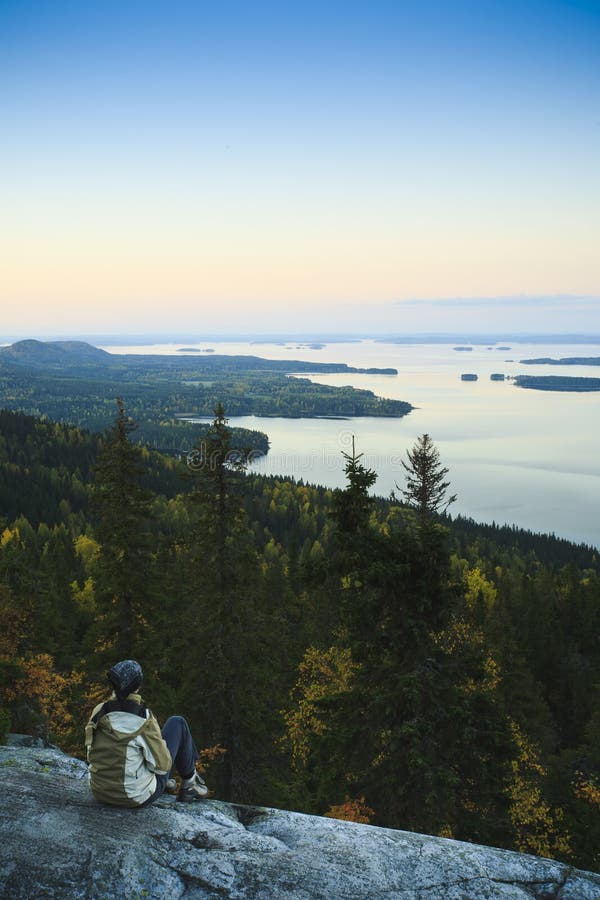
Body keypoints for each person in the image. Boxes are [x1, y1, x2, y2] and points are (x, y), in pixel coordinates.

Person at [85, 659, 208, 808]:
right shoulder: (144, 719)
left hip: (100, 791)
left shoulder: (99, 711)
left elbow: (94, 751)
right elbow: (163, 766)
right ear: (138, 686)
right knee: (177, 723)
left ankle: (161, 783)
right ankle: (190, 783)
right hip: (133, 797)